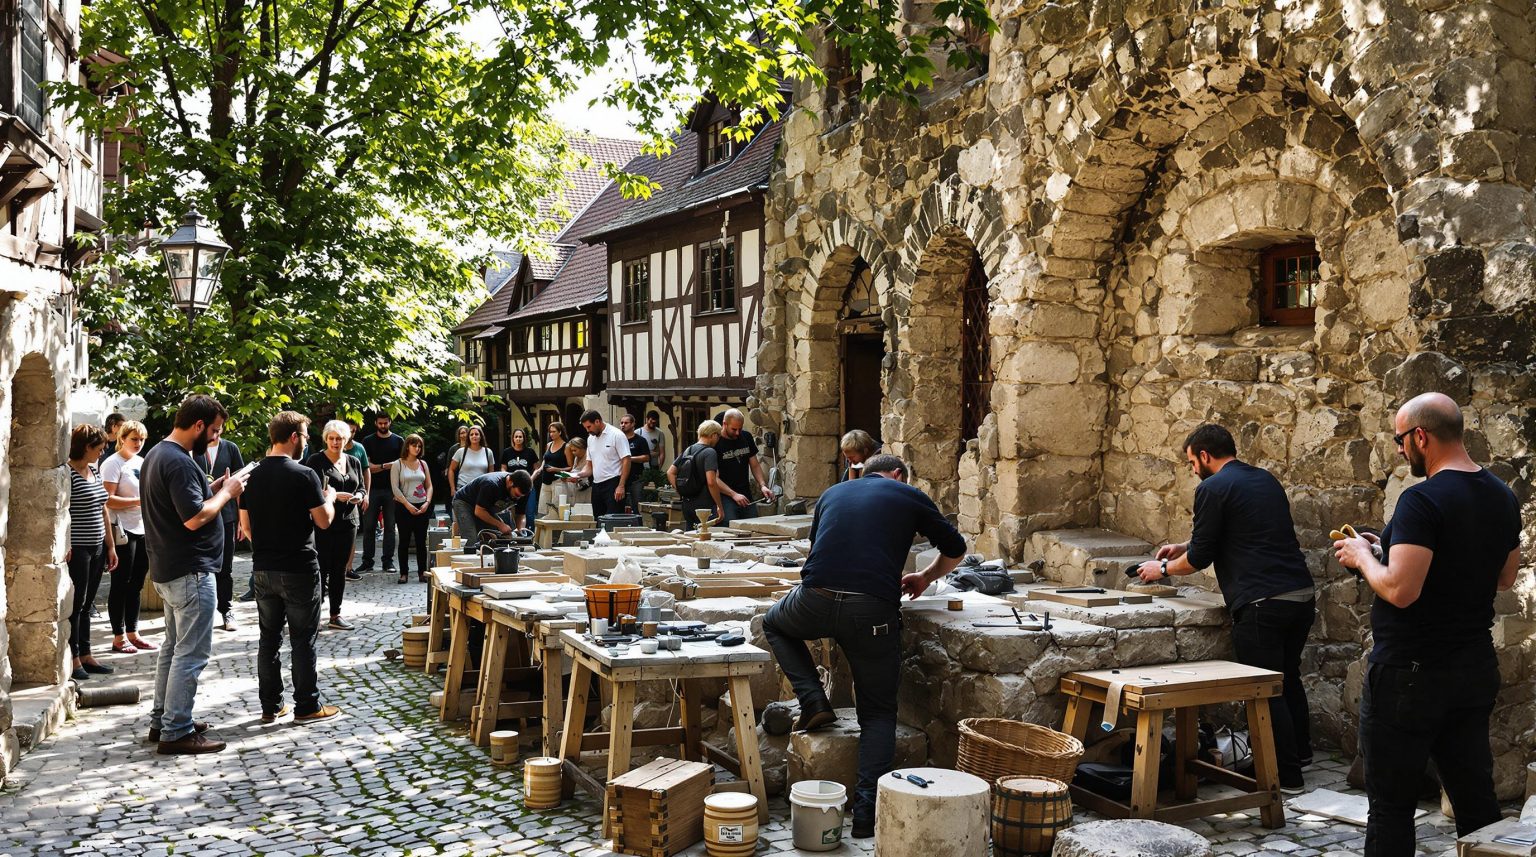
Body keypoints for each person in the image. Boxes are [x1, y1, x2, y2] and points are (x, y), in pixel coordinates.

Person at [1335, 392, 1521, 854]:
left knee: (1392, 805)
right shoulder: (1501, 495)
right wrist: (1388, 551)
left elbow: (1401, 590)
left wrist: (1362, 558)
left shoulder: (1422, 499)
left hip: (1409, 676)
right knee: (1476, 800)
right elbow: (1503, 577)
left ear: (1421, 436)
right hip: (1472, 669)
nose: (1399, 450)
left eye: (1401, 440)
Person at [762, 454, 966, 838]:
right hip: (872, 610)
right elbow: (956, 549)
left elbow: (819, 548)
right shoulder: (908, 493)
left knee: (774, 623)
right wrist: (923, 576)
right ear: (897, 475)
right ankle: (865, 815)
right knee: (877, 713)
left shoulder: (833, 492)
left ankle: (813, 701)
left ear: (863, 472)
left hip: (815, 598)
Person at [1135, 424, 1315, 794]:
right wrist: (1182, 545)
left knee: (1267, 688)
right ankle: (1303, 756)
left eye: (1191, 462)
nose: (1192, 470)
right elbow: (1239, 531)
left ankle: (1287, 776)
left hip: (1261, 602)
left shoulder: (1211, 488)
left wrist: (1164, 568)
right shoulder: (1264, 479)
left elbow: (1200, 559)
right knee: (1288, 678)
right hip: (1300, 595)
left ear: (1204, 455)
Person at [141, 394, 247, 754]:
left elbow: (184, 504)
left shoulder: (158, 453)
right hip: (190, 570)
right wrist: (228, 493)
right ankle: (177, 731)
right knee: (190, 653)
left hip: (169, 567)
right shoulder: (180, 462)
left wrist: (212, 489)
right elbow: (194, 518)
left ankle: (164, 720)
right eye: (214, 431)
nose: (216, 438)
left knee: (172, 648)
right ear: (198, 425)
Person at [238, 411, 342, 725]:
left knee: (268, 638)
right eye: (307, 436)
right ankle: (307, 706)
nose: (307, 443)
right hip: (299, 566)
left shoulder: (251, 475)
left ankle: (271, 706)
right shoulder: (304, 474)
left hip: (263, 568)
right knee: (302, 638)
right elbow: (323, 521)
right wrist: (332, 498)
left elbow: (246, 527)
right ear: (294, 437)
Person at [65, 424, 119, 680]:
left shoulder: (95, 471)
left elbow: (103, 509)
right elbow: (61, 513)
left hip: (97, 545)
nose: (103, 451)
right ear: (86, 447)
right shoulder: (67, 473)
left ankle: (87, 653)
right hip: (79, 548)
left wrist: (110, 546)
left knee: (88, 604)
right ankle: (73, 657)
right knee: (77, 604)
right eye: (100, 447)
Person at [102, 420, 156, 654]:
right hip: (122, 529)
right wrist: (139, 501)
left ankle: (133, 632)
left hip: (142, 527)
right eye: (134, 439)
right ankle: (118, 636)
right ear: (122, 438)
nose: (138, 443)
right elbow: (107, 499)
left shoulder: (141, 462)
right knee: (120, 584)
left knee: (136, 584)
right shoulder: (113, 464)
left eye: (142, 439)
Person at [307, 420, 366, 630]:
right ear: (325, 439)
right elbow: (308, 491)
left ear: (346, 439)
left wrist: (358, 496)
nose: (335, 442)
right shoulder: (315, 461)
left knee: (340, 569)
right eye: (331, 438)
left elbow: (362, 487)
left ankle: (335, 614)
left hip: (349, 520)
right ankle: (314, 612)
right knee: (321, 567)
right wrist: (331, 496)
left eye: (339, 438)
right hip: (324, 521)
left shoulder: (353, 461)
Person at [200, 422, 245, 631]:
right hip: (202, 515)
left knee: (225, 567)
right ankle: (203, 614)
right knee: (202, 567)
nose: (215, 434)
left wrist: (241, 520)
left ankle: (226, 610)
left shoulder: (231, 448)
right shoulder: (193, 449)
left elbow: (240, 485)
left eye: (219, 430)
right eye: (212, 429)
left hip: (226, 517)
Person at [358, 414, 404, 575]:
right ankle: (367, 561)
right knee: (369, 526)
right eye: (380, 423)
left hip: (393, 489)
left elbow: (402, 465)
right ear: (375, 423)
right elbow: (367, 467)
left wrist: (380, 467)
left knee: (390, 527)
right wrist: (386, 465)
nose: (383, 425)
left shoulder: (398, 441)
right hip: (373, 489)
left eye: (385, 423)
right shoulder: (368, 441)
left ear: (390, 422)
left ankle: (388, 561)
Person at [715, 409, 775, 523]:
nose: (737, 433)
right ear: (724, 424)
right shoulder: (715, 442)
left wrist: (763, 485)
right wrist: (733, 494)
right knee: (731, 529)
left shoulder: (746, 437)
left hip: (745, 494)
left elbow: (755, 465)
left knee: (753, 527)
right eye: (734, 429)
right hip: (725, 497)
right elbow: (713, 477)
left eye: (740, 428)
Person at [452, 470, 532, 549]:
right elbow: (479, 511)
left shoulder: (522, 492)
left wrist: (519, 532)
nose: (517, 498)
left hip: (484, 507)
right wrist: (500, 525)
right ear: (510, 482)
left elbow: (520, 514)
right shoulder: (491, 484)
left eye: (521, 496)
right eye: (516, 495)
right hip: (464, 503)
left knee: (503, 535)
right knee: (471, 539)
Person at [392, 433, 434, 583]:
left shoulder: (423, 464)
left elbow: (429, 485)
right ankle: (404, 573)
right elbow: (395, 488)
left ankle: (422, 571)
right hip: (404, 506)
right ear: (407, 446)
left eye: (419, 446)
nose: (417, 448)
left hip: (421, 505)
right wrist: (407, 504)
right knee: (404, 540)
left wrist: (427, 502)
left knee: (421, 541)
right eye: (414, 445)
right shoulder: (398, 464)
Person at [667, 420, 725, 527]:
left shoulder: (688, 450)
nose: (718, 440)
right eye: (718, 436)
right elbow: (711, 482)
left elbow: (670, 472)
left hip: (687, 504)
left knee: (691, 536)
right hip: (705, 505)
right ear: (714, 435)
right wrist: (719, 506)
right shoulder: (710, 452)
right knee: (707, 537)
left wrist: (682, 490)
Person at [574, 410, 630, 518]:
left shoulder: (616, 435)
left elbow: (626, 460)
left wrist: (621, 485)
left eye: (589, 427)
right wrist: (577, 475)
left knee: (613, 520)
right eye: (585, 427)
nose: (587, 430)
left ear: (597, 421)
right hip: (596, 484)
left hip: (613, 482)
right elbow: (589, 466)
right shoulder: (590, 439)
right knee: (598, 519)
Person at [528, 422, 568, 521]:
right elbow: (544, 460)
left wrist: (556, 469)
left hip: (558, 480)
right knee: (543, 510)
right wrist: (539, 470)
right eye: (550, 432)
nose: (551, 434)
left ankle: (555, 535)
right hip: (545, 480)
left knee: (555, 511)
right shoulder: (549, 445)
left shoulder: (566, 446)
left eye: (554, 431)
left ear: (560, 432)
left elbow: (570, 467)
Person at [500, 427, 537, 529]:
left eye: (520, 437)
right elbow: (503, 467)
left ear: (524, 438)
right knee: (511, 511)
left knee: (529, 511)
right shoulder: (507, 452)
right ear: (513, 438)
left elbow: (536, 468)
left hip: (528, 485)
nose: (518, 439)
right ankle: (514, 532)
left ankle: (529, 534)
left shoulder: (530, 452)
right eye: (516, 437)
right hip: (512, 485)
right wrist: (507, 476)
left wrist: (531, 478)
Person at [449, 425, 496, 492]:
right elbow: (451, 469)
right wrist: (452, 488)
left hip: (482, 489)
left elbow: (491, 473)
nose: (474, 436)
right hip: (463, 489)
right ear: (468, 437)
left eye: (476, 434)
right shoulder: (461, 451)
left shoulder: (488, 452)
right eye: (471, 434)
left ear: (481, 436)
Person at [619, 414, 650, 516]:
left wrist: (629, 459)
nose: (623, 425)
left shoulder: (640, 440)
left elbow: (646, 457)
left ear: (633, 424)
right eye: (621, 423)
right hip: (619, 477)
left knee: (636, 505)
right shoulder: (618, 439)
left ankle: (638, 525)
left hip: (636, 478)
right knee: (620, 504)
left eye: (626, 423)